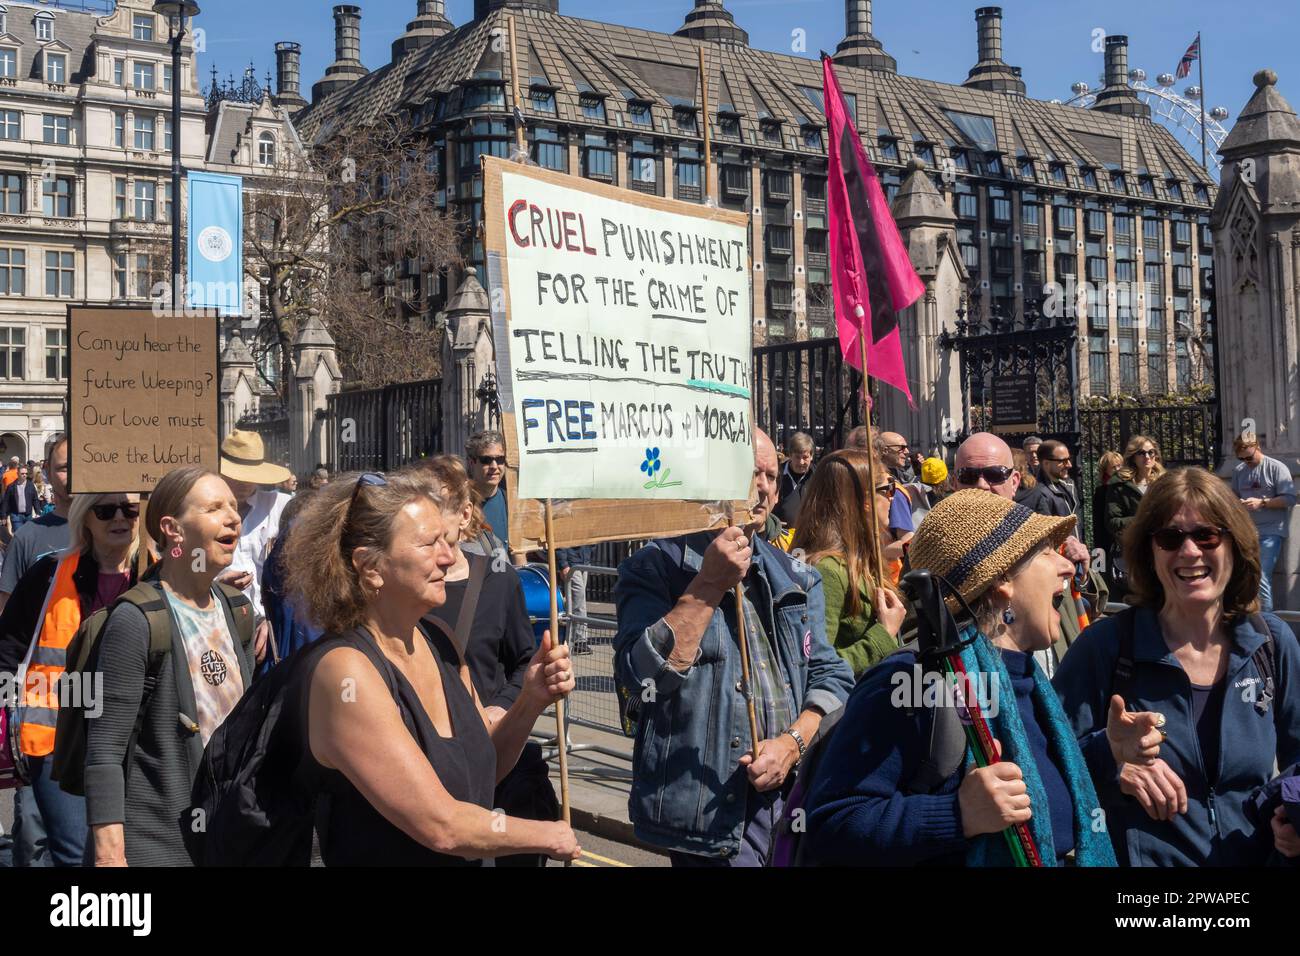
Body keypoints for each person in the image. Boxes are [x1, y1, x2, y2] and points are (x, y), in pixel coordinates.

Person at [281, 469, 581, 865]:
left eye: (446, 539)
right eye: (428, 543)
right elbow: (442, 825)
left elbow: (480, 770)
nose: (449, 555)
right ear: (370, 566)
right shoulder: (345, 673)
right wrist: (548, 834)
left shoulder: (438, 639)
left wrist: (529, 700)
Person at [803, 490, 1117, 866]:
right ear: (1004, 579)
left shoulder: (1027, 678)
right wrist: (958, 814)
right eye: (1046, 552)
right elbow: (831, 824)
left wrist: (1109, 750)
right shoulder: (914, 682)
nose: (1067, 566)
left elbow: (1036, 783)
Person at [614, 428, 854, 865]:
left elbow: (831, 675)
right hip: (711, 808)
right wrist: (708, 585)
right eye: (749, 473)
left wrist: (791, 743)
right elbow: (641, 677)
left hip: (790, 801)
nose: (762, 486)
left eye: (770, 475)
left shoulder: (797, 576)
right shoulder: (656, 567)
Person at [1054, 468, 1300, 866]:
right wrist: (1112, 763)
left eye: (1207, 535)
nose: (1189, 552)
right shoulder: (1106, 647)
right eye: (1170, 538)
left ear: (1234, 544)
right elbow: (1045, 762)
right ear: (1149, 554)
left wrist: (1290, 820)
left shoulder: (1271, 642)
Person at [86, 468, 255, 866]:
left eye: (233, 506)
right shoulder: (135, 620)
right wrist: (110, 856)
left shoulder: (238, 609)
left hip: (228, 836)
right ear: (173, 529)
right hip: (159, 846)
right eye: (214, 508)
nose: (233, 517)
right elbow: (105, 750)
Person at [417, 455, 560, 865]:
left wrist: (502, 708)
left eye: (436, 504)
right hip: (428, 766)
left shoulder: (499, 583)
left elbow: (522, 662)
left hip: (496, 759)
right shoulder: (403, 588)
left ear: (464, 514)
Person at [0, 492, 142, 867]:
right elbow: (9, 647)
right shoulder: (48, 573)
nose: (119, 518)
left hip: (137, 739)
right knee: (75, 851)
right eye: (105, 509)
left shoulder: (159, 575)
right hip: (57, 740)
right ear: (85, 518)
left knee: (130, 852)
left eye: (130, 509)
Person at [952, 433, 1101, 676]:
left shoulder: (1045, 536)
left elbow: (1086, 602)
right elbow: (915, 628)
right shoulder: (934, 548)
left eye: (994, 474)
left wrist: (1079, 575)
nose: (981, 485)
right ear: (955, 484)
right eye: (968, 476)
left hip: (1051, 672)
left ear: (1014, 481)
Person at [0, 436, 70, 866]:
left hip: (92, 705)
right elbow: (8, 622)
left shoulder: (120, 532)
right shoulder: (29, 537)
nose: (73, 475)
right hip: (38, 705)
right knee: (33, 826)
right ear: (47, 471)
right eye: (63, 467)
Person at [789, 449, 906, 678]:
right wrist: (883, 635)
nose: (893, 497)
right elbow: (814, 669)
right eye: (887, 488)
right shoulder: (827, 571)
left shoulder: (860, 558)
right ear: (864, 501)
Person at [218, 429, 291, 664]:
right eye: (235, 474)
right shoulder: (200, 511)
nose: (241, 481)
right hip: (218, 625)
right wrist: (216, 586)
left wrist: (274, 618)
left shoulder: (280, 506)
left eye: (248, 474)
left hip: (271, 630)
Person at [1231, 433, 1296, 612]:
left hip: (1271, 531)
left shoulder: (1276, 468)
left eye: (1249, 457)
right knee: (1243, 576)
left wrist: (1262, 502)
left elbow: (1289, 499)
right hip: (1246, 531)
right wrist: (1238, 504)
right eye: (1241, 458)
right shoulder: (1239, 471)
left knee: (1260, 577)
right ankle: (1249, 617)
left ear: (1258, 447)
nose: (1246, 461)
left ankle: (1267, 624)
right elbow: (1233, 497)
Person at [1106, 436, 1165, 597]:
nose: (1147, 457)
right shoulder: (1119, 485)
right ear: (1133, 456)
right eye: (1142, 453)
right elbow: (1113, 522)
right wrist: (1142, 518)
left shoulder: (1165, 483)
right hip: (1135, 553)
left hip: (1163, 550)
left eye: (1151, 452)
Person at [1018, 440, 1082, 540]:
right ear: (1046, 463)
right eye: (1062, 461)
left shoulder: (1069, 485)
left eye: (1069, 459)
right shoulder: (1039, 493)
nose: (1069, 465)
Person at [467, 430, 512, 559]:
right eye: (486, 460)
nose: (494, 466)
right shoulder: (460, 505)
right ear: (472, 463)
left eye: (500, 459)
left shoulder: (511, 503)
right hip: (476, 576)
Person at [1093, 451, 1124, 583]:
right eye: (1114, 467)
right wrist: (1097, 561)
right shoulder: (1101, 492)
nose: (1118, 470)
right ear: (1106, 470)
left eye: (1120, 466)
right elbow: (1098, 526)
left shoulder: (1126, 488)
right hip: (1108, 541)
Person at [774, 431, 815, 527]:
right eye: (797, 457)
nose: (801, 462)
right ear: (790, 455)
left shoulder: (818, 476)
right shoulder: (777, 475)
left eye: (805, 457)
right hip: (782, 536)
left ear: (811, 456)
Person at [2, 466, 36, 534]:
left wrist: (38, 512)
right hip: (16, 515)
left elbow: (35, 499)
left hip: (28, 515)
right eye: (22, 473)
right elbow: (6, 502)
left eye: (26, 473)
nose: (24, 475)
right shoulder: (11, 487)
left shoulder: (30, 485)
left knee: (28, 535)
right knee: (19, 535)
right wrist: (3, 516)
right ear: (18, 474)